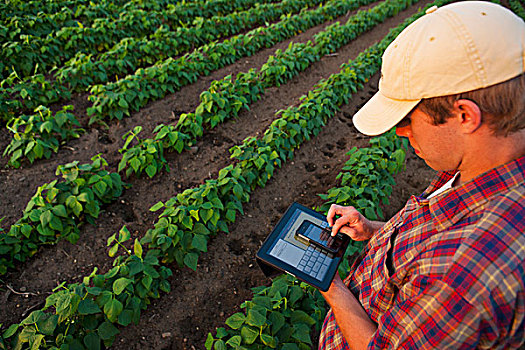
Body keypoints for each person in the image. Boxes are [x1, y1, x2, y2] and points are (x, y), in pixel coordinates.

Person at [318, 1, 525, 349]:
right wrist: (374, 231)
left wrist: (330, 286)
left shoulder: (467, 274)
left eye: (407, 119)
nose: (400, 132)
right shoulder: (480, 165)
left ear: (464, 116)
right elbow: (433, 244)